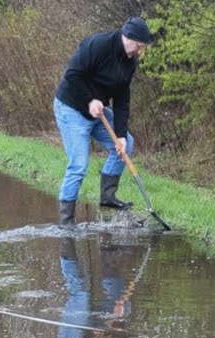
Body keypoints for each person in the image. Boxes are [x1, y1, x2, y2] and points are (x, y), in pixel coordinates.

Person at [53, 17, 156, 226]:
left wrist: (120, 135)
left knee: (126, 144)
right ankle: (66, 222)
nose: (140, 51)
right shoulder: (98, 45)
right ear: (127, 38)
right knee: (78, 165)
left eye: (143, 47)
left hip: (97, 113)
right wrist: (89, 99)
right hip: (71, 108)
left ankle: (107, 197)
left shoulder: (130, 62)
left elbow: (121, 101)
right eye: (139, 46)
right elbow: (72, 74)